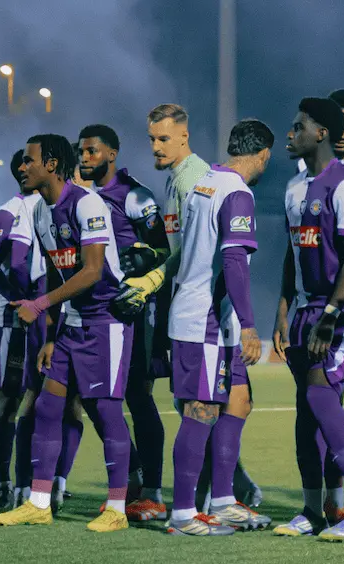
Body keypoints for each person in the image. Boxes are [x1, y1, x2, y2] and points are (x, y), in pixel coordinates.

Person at [119, 103, 264, 511]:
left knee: (223, 402)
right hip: (201, 312)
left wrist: (153, 277)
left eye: (163, 139)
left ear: (184, 137)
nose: (156, 147)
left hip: (210, 312)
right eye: (151, 139)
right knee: (206, 404)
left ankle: (222, 494)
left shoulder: (196, 181)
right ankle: (212, 499)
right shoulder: (179, 181)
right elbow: (185, 251)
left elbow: (194, 254)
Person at [0, 133, 132, 533]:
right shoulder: (37, 211)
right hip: (70, 324)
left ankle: (117, 509)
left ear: (52, 164)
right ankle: (38, 502)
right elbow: (57, 268)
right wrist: (51, 335)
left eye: (29, 160)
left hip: (106, 321)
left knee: (105, 412)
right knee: (47, 409)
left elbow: (91, 270)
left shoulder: (88, 203)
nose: (22, 167)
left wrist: (40, 304)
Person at [272, 98, 344, 541]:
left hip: (341, 309)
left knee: (321, 399)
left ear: (320, 133)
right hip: (303, 310)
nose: (290, 134)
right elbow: (292, 253)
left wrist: (331, 316)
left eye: (298, 127)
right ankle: (314, 510)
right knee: (306, 412)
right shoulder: (294, 187)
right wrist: (282, 311)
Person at [165, 118, 273, 536]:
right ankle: (183, 515)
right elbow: (232, 261)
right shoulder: (237, 193)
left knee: (236, 403)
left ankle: (224, 501)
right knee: (201, 411)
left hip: (209, 316)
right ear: (262, 155)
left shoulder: (205, 183)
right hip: (205, 320)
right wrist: (249, 325)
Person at [78, 124, 170, 520]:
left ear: (111, 154)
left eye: (92, 151)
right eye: (81, 152)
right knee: (93, 396)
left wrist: (140, 262)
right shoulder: (81, 197)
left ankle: (151, 491)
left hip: (132, 310)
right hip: (93, 312)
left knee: (137, 395)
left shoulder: (135, 196)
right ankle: (130, 477)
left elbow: (164, 249)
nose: (84, 158)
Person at [0, 149, 48, 512]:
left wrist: (17, 299)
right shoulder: (39, 208)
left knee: (11, 403)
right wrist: (28, 300)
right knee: (38, 400)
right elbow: (4, 264)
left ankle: (8, 485)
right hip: (40, 314)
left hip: (19, 315)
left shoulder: (5, 211)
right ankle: (26, 487)